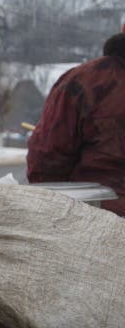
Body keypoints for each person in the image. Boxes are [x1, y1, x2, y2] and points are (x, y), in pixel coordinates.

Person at [27, 31, 125, 215]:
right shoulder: (86, 82)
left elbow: (45, 162)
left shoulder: (85, 80)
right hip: (99, 217)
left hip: (95, 220)